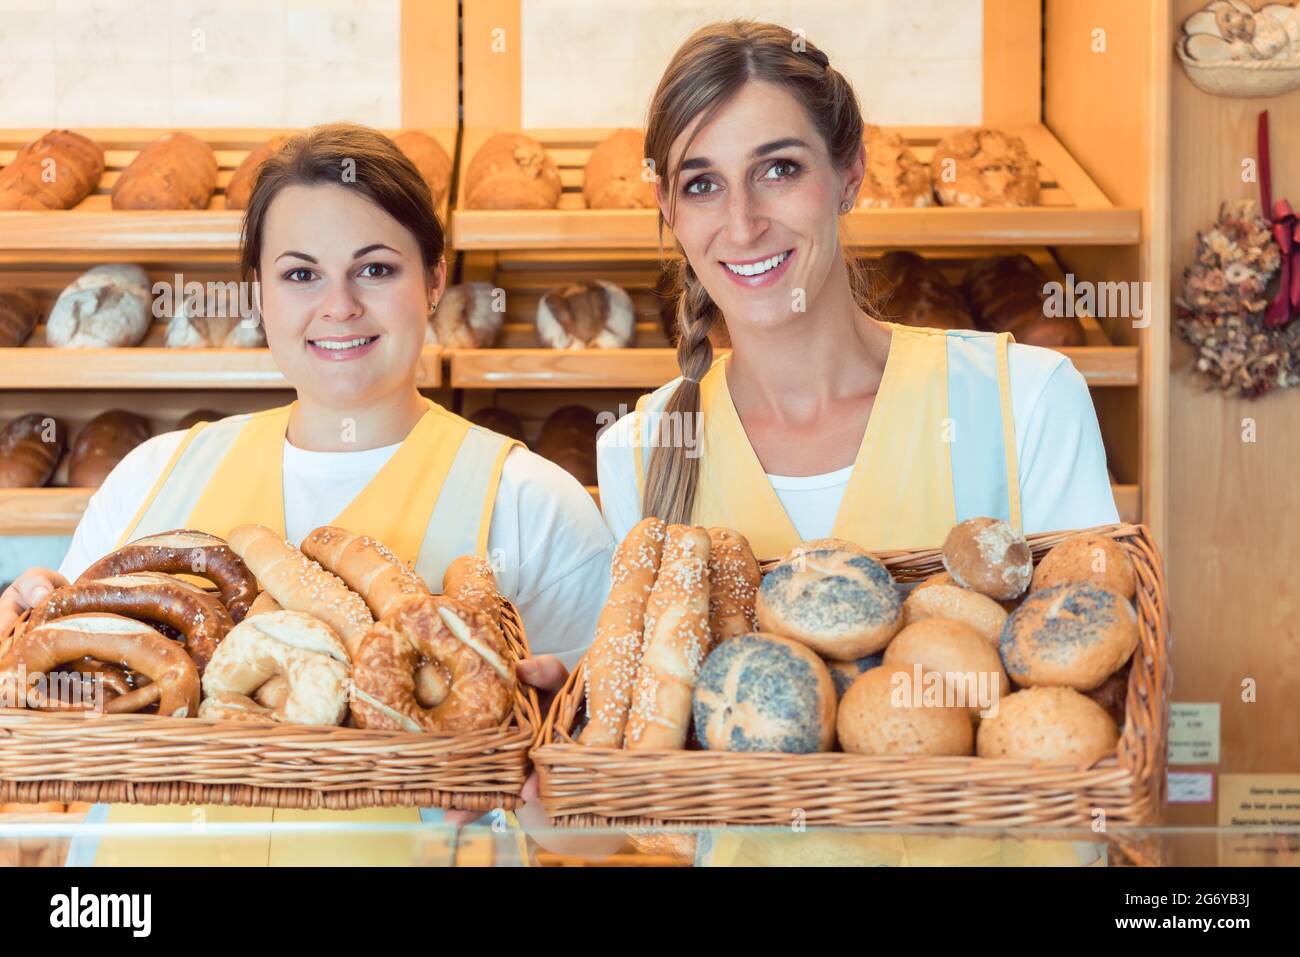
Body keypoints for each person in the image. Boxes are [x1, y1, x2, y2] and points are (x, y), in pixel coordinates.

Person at [0, 124, 614, 866]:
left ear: (436, 280)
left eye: (377, 269)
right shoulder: (152, 475)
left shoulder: (531, 502)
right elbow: (61, 735)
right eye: (300, 275)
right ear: (258, 290)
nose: (339, 305)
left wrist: (534, 781)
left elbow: (603, 826)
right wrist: (16, 639)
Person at [596, 21, 1118, 866]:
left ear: (849, 174)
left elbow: (1101, 721)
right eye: (701, 184)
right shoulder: (642, 449)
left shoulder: (1025, 397)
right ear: (667, 209)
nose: (743, 222)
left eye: (779, 169)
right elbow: (653, 807)